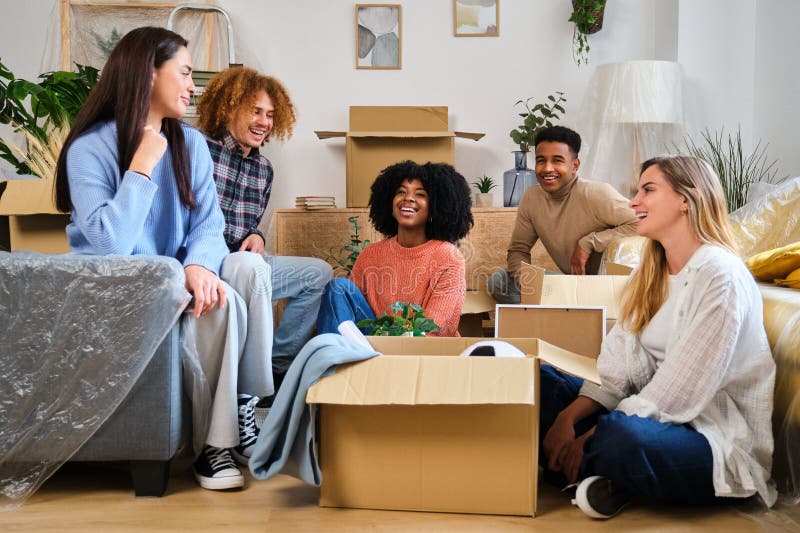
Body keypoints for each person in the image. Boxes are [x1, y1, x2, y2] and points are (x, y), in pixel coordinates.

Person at [54, 27, 275, 491]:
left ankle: (231, 424)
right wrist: (141, 165)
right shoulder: (89, 148)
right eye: (186, 73)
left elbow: (209, 226)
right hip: (126, 292)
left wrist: (198, 264)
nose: (193, 86)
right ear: (148, 74)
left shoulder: (190, 143)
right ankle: (215, 447)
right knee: (223, 302)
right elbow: (109, 247)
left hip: (177, 279)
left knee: (236, 280)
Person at [539, 155, 776, 519]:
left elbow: (681, 390)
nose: (634, 202)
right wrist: (567, 419)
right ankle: (605, 474)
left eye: (648, 190)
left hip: (708, 440)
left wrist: (591, 435)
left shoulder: (720, 276)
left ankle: (584, 465)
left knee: (623, 437)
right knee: (534, 383)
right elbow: (615, 370)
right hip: (641, 411)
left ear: (687, 199)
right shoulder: (649, 273)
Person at [196, 67, 332, 398]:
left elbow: (249, 220)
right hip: (205, 264)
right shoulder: (198, 149)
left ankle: (274, 371)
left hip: (246, 262)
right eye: (255, 111)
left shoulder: (263, 169)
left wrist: (258, 235)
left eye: (270, 115)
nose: (264, 122)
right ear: (229, 107)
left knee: (319, 274)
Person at [316, 160, 473, 337]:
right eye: (401, 192)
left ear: (436, 207)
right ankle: (330, 359)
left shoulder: (448, 257)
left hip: (423, 348)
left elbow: (434, 329)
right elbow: (349, 313)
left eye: (420, 194)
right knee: (338, 288)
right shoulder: (370, 255)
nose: (408, 198)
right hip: (374, 343)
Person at [488, 125, 638, 304]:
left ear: (575, 165)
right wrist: (527, 282)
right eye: (541, 160)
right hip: (569, 286)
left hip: (606, 289)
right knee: (500, 282)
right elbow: (518, 250)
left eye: (557, 160)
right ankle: (560, 314)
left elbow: (644, 222)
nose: (547, 168)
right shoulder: (531, 198)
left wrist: (589, 242)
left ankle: (569, 314)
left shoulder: (595, 193)